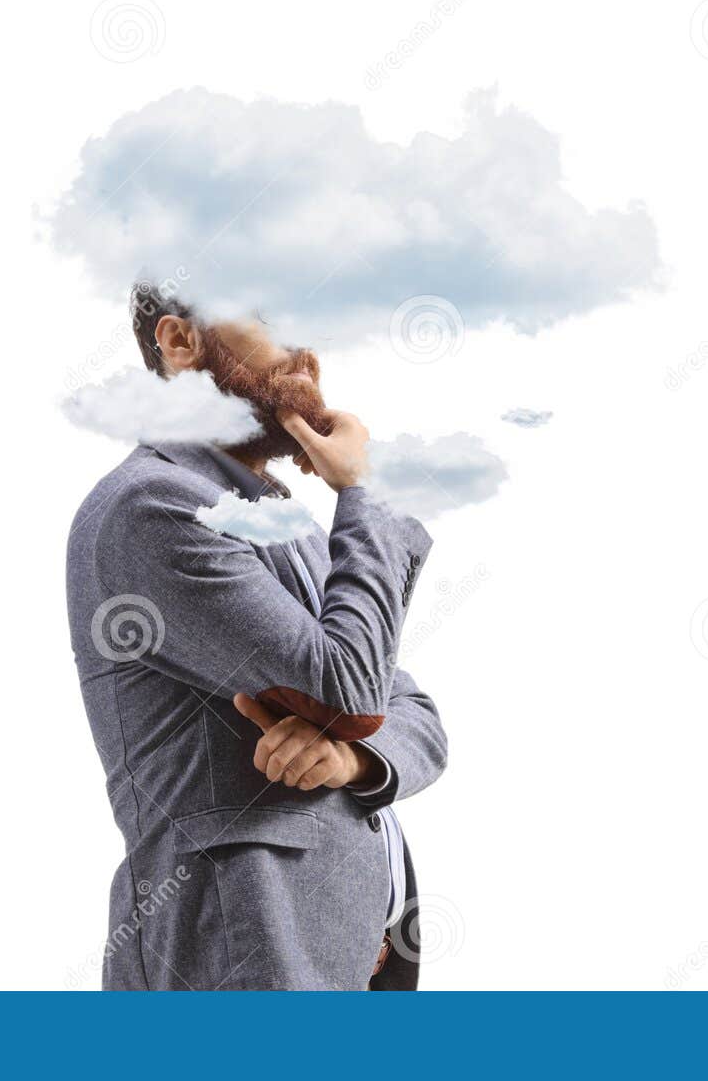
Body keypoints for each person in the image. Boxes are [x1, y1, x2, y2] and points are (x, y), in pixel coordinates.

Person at [64, 283, 449, 989]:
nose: (304, 350)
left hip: (349, 956)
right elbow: (351, 691)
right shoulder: (155, 505)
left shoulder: (286, 521)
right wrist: (369, 494)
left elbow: (415, 715)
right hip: (241, 955)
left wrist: (352, 761)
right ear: (179, 343)